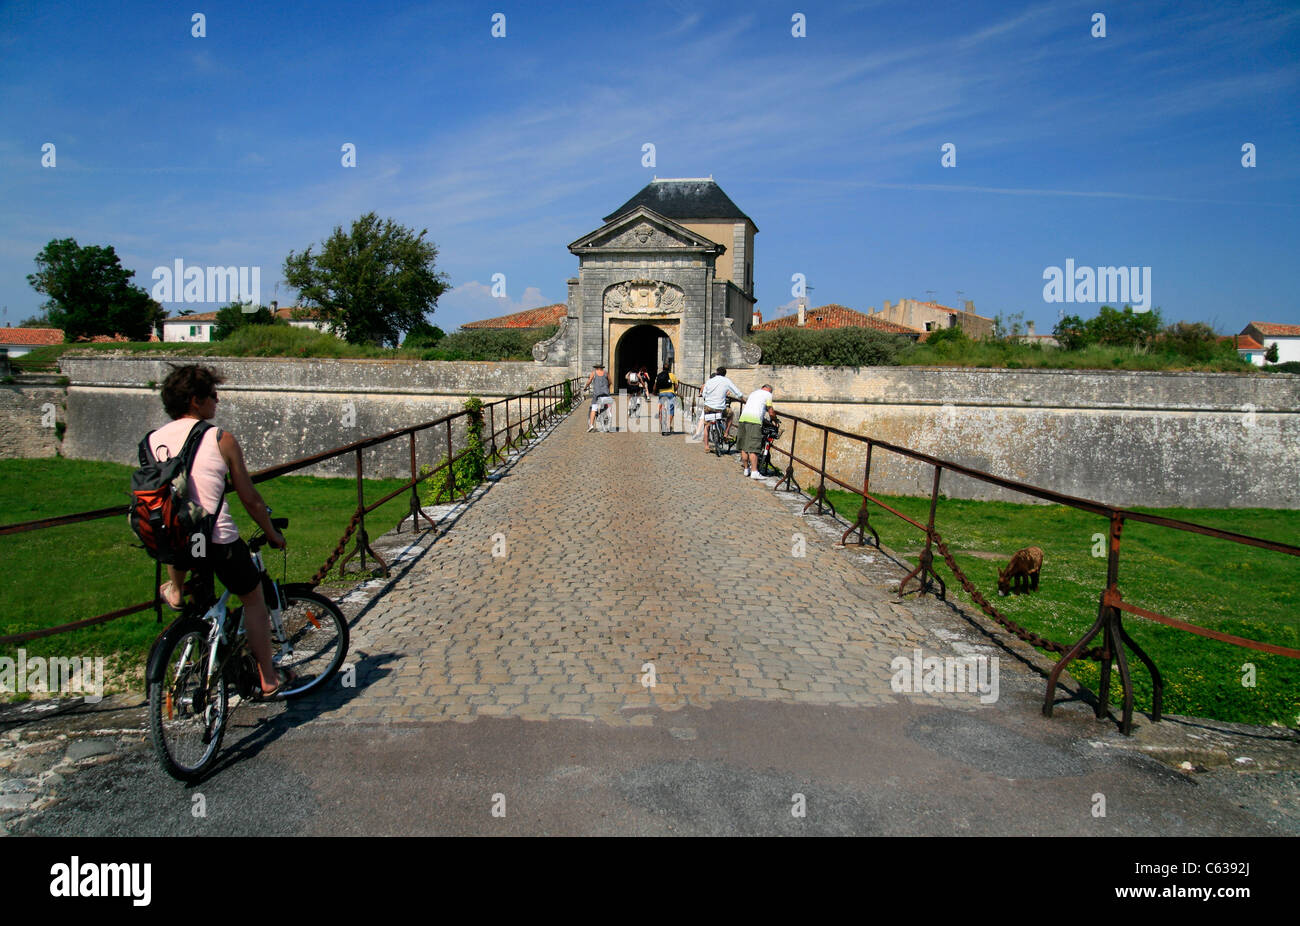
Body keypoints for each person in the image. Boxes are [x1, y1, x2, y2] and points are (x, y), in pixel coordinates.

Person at [150, 364, 294, 697]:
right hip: (218, 540)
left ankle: (175, 590)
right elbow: (250, 499)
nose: (217, 401)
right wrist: (272, 533)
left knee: (181, 537)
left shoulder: (152, 440)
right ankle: (268, 679)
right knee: (254, 600)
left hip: (173, 540)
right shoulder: (220, 438)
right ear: (196, 401)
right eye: (213, 396)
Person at [694, 366, 742, 451]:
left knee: (707, 426)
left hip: (708, 407)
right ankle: (726, 432)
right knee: (730, 414)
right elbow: (738, 393)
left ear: (716, 372)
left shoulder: (709, 381)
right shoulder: (726, 381)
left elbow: (704, 394)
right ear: (725, 374)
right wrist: (742, 398)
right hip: (720, 409)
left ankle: (706, 446)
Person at [736, 384, 777, 479]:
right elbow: (770, 411)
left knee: (744, 446)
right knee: (753, 447)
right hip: (754, 422)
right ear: (769, 390)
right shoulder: (768, 395)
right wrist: (774, 419)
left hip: (743, 419)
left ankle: (746, 469)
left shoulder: (753, 393)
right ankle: (754, 471)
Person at [585, 363, 613, 432]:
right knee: (607, 406)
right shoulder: (606, 373)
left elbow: (589, 381)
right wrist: (607, 387)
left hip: (597, 394)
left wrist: (585, 387)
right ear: (602, 368)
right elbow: (610, 382)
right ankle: (608, 417)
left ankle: (591, 425)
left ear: (596, 368)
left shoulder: (594, 373)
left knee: (593, 408)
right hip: (606, 393)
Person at [654, 361, 677, 436]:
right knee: (671, 410)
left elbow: (655, 385)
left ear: (662, 368)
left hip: (662, 394)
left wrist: (654, 392)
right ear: (669, 368)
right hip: (670, 393)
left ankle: (662, 427)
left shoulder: (659, 375)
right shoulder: (672, 375)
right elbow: (676, 385)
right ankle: (667, 427)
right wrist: (674, 391)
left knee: (661, 410)